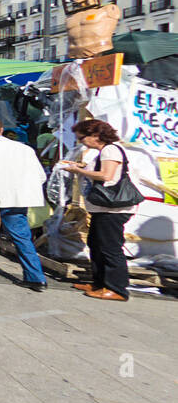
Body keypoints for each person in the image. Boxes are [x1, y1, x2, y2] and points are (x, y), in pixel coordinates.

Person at [60, 119, 137, 301]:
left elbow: (106, 175)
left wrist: (79, 172)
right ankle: (99, 282)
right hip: (103, 208)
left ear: (95, 135)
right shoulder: (104, 151)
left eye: (82, 138)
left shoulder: (110, 149)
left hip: (113, 209)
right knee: (96, 243)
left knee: (110, 248)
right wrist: (80, 167)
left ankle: (117, 288)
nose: (81, 142)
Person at [0, 116, 48, 290]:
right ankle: (36, 277)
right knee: (22, 238)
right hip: (19, 198)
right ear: (1, 129)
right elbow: (40, 175)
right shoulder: (25, 149)